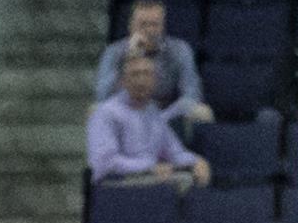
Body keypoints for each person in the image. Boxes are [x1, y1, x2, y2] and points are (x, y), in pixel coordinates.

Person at [86, 54, 209, 190]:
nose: (141, 80)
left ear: (155, 80)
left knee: (196, 175)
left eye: (147, 74)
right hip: (115, 184)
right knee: (182, 183)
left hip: (149, 179)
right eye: (135, 74)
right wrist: (149, 167)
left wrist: (196, 161)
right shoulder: (106, 113)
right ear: (122, 81)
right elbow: (105, 164)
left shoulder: (152, 112)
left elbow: (174, 152)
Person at [93, 0, 213, 126]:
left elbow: (192, 93)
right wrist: (131, 58)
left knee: (202, 112)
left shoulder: (180, 49)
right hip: (126, 112)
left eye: (154, 24)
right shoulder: (114, 52)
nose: (150, 30)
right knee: (96, 110)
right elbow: (103, 96)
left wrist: (161, 118)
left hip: (167, 113)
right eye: (143, 24)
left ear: (163, 26)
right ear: (131, 26)